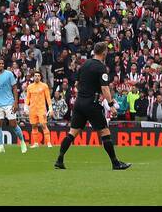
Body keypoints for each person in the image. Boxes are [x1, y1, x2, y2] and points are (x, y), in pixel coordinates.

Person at [54, 41, 130, 170]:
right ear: (104, 52)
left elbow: (77, 84)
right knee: (105, 132)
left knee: (72, 133)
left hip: (79, 103)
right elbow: (105, 88)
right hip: (91, 103)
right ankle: (115, 163)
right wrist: (111, 104)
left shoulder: (84, 65)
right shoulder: (100, 67)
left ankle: (59, 160)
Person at [0, 58, 26, 154]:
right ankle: (1, 147)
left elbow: (14, 88)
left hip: (9, 103)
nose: (1, 65)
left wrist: (15, 102)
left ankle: (22, 142)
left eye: (2, 63)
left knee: (13, 124)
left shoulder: (9, 74)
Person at [25, 70, 52, 147]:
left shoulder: (44, 86)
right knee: (34, 125)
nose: (37, 77)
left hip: (41, 109)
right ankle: (36, 143)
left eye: (38, 76)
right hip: (32, 109)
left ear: (40, 77)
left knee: (43, 125)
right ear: (33, 77)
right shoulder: (30, 87)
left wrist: (50, 108)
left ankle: (48, 142)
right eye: (35, 76)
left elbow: (48, 98)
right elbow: (27, 98)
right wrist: (26, 108)